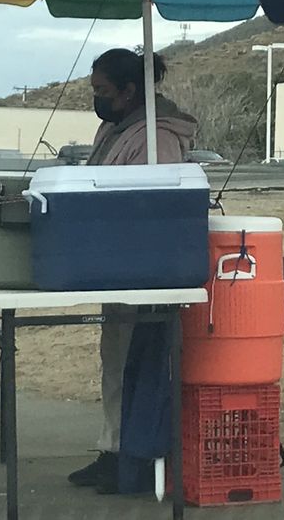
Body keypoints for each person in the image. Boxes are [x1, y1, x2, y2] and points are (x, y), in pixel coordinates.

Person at [67, 48, 197, 494]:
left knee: (132, 363)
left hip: (144, 266)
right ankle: (113, 448)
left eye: (103, 91)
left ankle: (132, 456)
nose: (96, 99)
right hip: (115, 261)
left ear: (128, 90)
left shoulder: (156, 138)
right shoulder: (115, 128)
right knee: (114, 360)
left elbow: (149, 202)